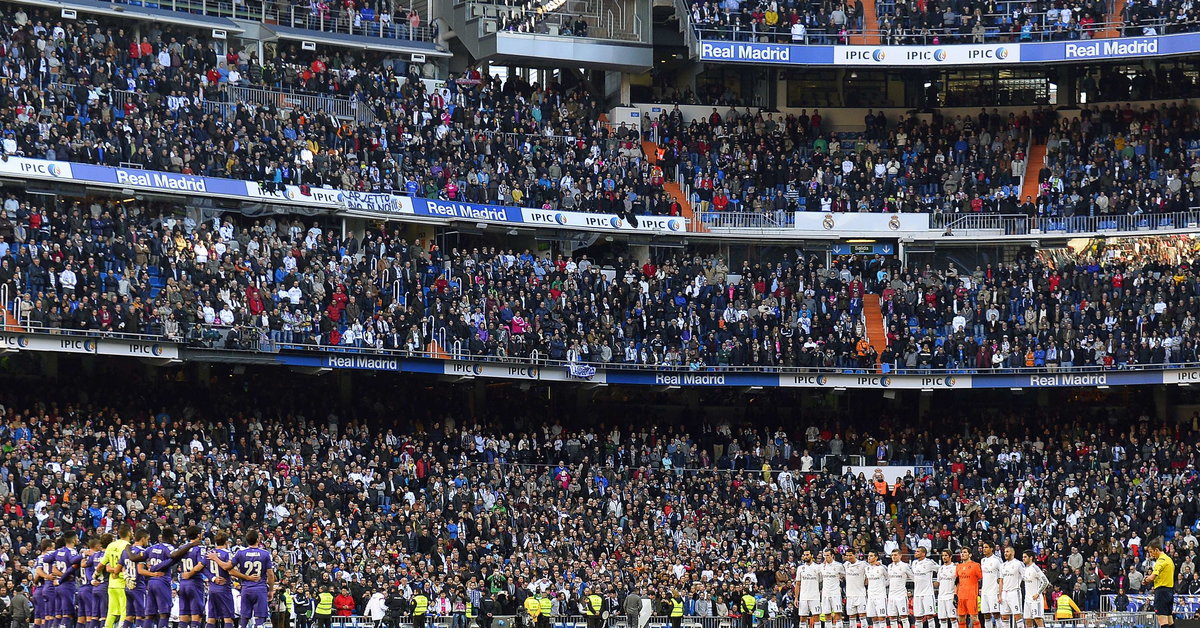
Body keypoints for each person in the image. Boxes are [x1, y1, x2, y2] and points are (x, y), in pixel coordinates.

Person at [145, 527, 202, 628]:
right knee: (165, 613)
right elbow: (174, 556)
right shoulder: (171, 548)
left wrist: (151, 569)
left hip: (151, 581)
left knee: (150, 614)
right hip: (163, 581)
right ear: (171, 537)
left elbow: (137, 557)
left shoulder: (152, 547)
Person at [229, 531, 273, 628]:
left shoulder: (240, 553)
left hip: (246, 588)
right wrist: (271, 590)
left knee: (244, 619)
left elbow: (230, 570)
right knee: (259, 620)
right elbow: (270, 574)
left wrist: (246, 577)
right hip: (260, 588)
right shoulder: (265, 554)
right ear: (258, 539)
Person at [100, 525, 134, 628]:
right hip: (123, 583)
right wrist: (118, 572)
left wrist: (97, 574)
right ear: (129, 533)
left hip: (112, 584)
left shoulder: (111, 545)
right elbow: (126, 565)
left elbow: (104, 564)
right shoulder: (128, 546)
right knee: (125, 611)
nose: (133, 533)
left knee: (111, 612)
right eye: (132, 531)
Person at [1147, 539, 1176, 627]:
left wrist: (1146, 579)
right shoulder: (1169, 559)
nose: (1150, 554)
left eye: (1151, 552)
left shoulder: (1160, 561)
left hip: (1161, 592)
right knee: (1169, 620)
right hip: (1169, 591)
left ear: (1156, 550)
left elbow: (1152, 577)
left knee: (1162, 620)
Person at [1020, 551, 1049, 628]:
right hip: (1027, 599)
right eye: (1023, 557)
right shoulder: (1025, 569)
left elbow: (1045, 581)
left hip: (1036, 600)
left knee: (1038, 620)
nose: (1023, 558)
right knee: (1028, 621)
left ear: (1031, 557)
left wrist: (1038, 593)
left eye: (1025, 557)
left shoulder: (1035, 568)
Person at [910, 547, 937, 628]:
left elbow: (940, 569)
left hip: (927, 593)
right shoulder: (914, 563)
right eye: (915, 551)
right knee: (918, 617)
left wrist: (938, 581)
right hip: (917, 594)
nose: (915, 553)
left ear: (923, 554)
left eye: (918, 551)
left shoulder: (929, 562)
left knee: (929, 616)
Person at [956, 548, 982, 628]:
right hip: (961, 596)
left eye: (965, 552)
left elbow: (980, 578)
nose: (962, 554)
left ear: (970, 554)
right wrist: (955, 594)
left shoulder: (976, 565)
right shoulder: (958, 566)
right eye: (961, 552)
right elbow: (957, 582)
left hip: (971, 596)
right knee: (961, 618)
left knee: (974, 617)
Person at [998, 546, 1023, 628]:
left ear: (1013, 553)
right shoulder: (1002, 565)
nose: (1005, 553)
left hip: (1014, 592)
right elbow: (1001, 581)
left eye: (1007, 551)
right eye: (1005, 552)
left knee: (1017, 615)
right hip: (1004, 593)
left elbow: (1025, 577)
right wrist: (1000, 595)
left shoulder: (1018, 564)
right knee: (1004, 617)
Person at [886, 550, 912, 628]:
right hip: (891, 595)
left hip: (901, 595)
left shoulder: (905, 566)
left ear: (900, 556)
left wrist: (910, 591)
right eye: (892, 555)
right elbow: (888, 580)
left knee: (904, 617)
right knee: (892, 617)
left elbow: (913, 577)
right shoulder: (889, 566)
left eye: (895, 555)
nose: (893, 557)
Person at [795, 550, 820, 628]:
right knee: (802, 618)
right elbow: (798, 584)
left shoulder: (818, 567)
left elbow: (822, 581)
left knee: (816, 617)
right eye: (804, 555)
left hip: (815, 596)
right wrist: (796, 598)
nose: (805, 556)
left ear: (811, 555)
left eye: (807, 555)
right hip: (803, 597)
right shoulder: (800, 568)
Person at [979, 542, 1002, 628]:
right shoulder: (983, 560)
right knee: (986, 615)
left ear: (992, 548)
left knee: (996, 614)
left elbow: (1001, 575)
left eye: (986, 547)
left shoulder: (997, 560)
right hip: (985, 591)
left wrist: (1000, 591)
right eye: (983, 547)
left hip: (994, 591)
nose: (984, 549)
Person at [821, 550, 845, 628]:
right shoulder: (821, 566)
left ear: (832, 556)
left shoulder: (839, 566)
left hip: (835, 593)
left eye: (828, 555)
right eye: (825, 555)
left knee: (838, 613)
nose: (826, 557)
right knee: (827, 614)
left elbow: (843, 576)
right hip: (825, 593)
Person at [845, 552, 867, 628]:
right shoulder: (845, 565)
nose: (849, 557)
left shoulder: (863, 564)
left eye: (850, 555)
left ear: (855, 555)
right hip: (849, 595)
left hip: (860, 594)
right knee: (851, 616)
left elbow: (871, 568)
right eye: (847, 555)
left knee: (862, 615)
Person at [865, 552, 888, 628]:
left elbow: (889, 577)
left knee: (881, 618)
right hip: (871, 596)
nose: (869, 557)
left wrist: (883, 585)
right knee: (874, 618)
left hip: (880, 596)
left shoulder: (881, 568)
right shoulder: (867, 568)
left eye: (871, 556)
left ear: (876, 557)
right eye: (868, 556)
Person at [935, 550, 957, 628]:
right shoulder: (940, 568)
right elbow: (938, 582)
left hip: (950, 596)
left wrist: (955, 594)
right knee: (942, 619)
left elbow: (958, 583)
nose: (944, 557)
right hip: (941, 597)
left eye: (946, 555)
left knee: (953, 618)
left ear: (950, 556)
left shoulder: (955, 568)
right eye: (943, 555)